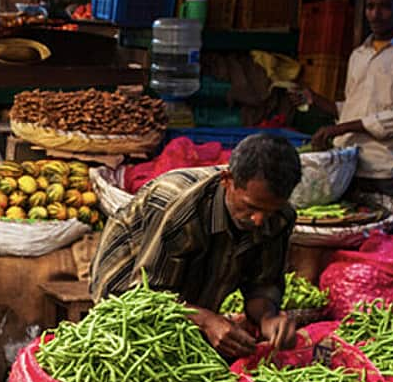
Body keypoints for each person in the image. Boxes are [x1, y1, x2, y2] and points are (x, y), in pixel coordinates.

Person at [88, 133, 303, 359]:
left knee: (191, 354)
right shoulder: (179, 207)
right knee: (136, 351)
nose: (259, 220)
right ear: (227, 180)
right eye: (251, 207)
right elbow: (147, 295)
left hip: (192, 285)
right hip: (128, 281)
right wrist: (206, 320)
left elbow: (263, 283)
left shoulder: (280, 217)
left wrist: (267, 318)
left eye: (270, 211)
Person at [292, 0, 393, 199]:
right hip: (346, 164)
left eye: (384, 6)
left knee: (383, 232)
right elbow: (353, 108)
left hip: (380, 168)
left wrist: (340, 128)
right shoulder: (358, 55)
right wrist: (314, 99)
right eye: (370, 6)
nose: (375, 14)